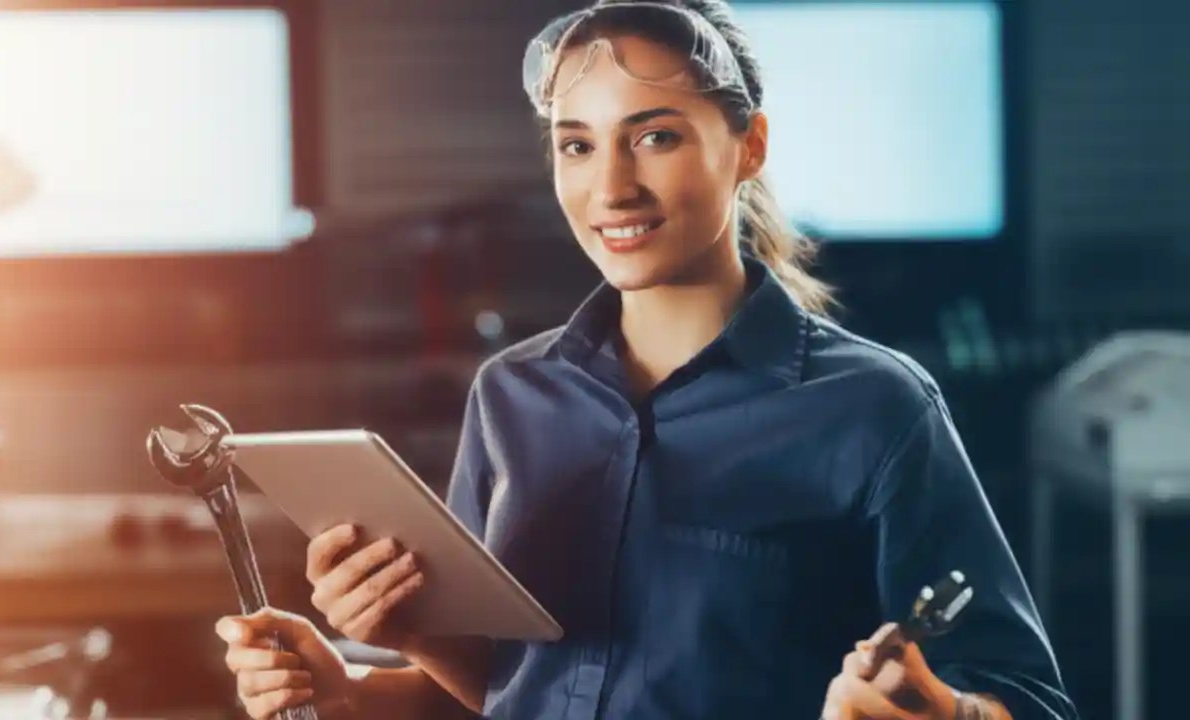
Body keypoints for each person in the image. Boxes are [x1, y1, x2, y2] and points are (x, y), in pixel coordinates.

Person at [215, 1, 1079, 718]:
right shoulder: (513, 396)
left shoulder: (875, 409)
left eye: (655, 137)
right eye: (577, 143)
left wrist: (947, 711)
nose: (611, 188)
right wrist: (363, 677)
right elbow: (517, 689)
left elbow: (1030, 699)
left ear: (750, 146)